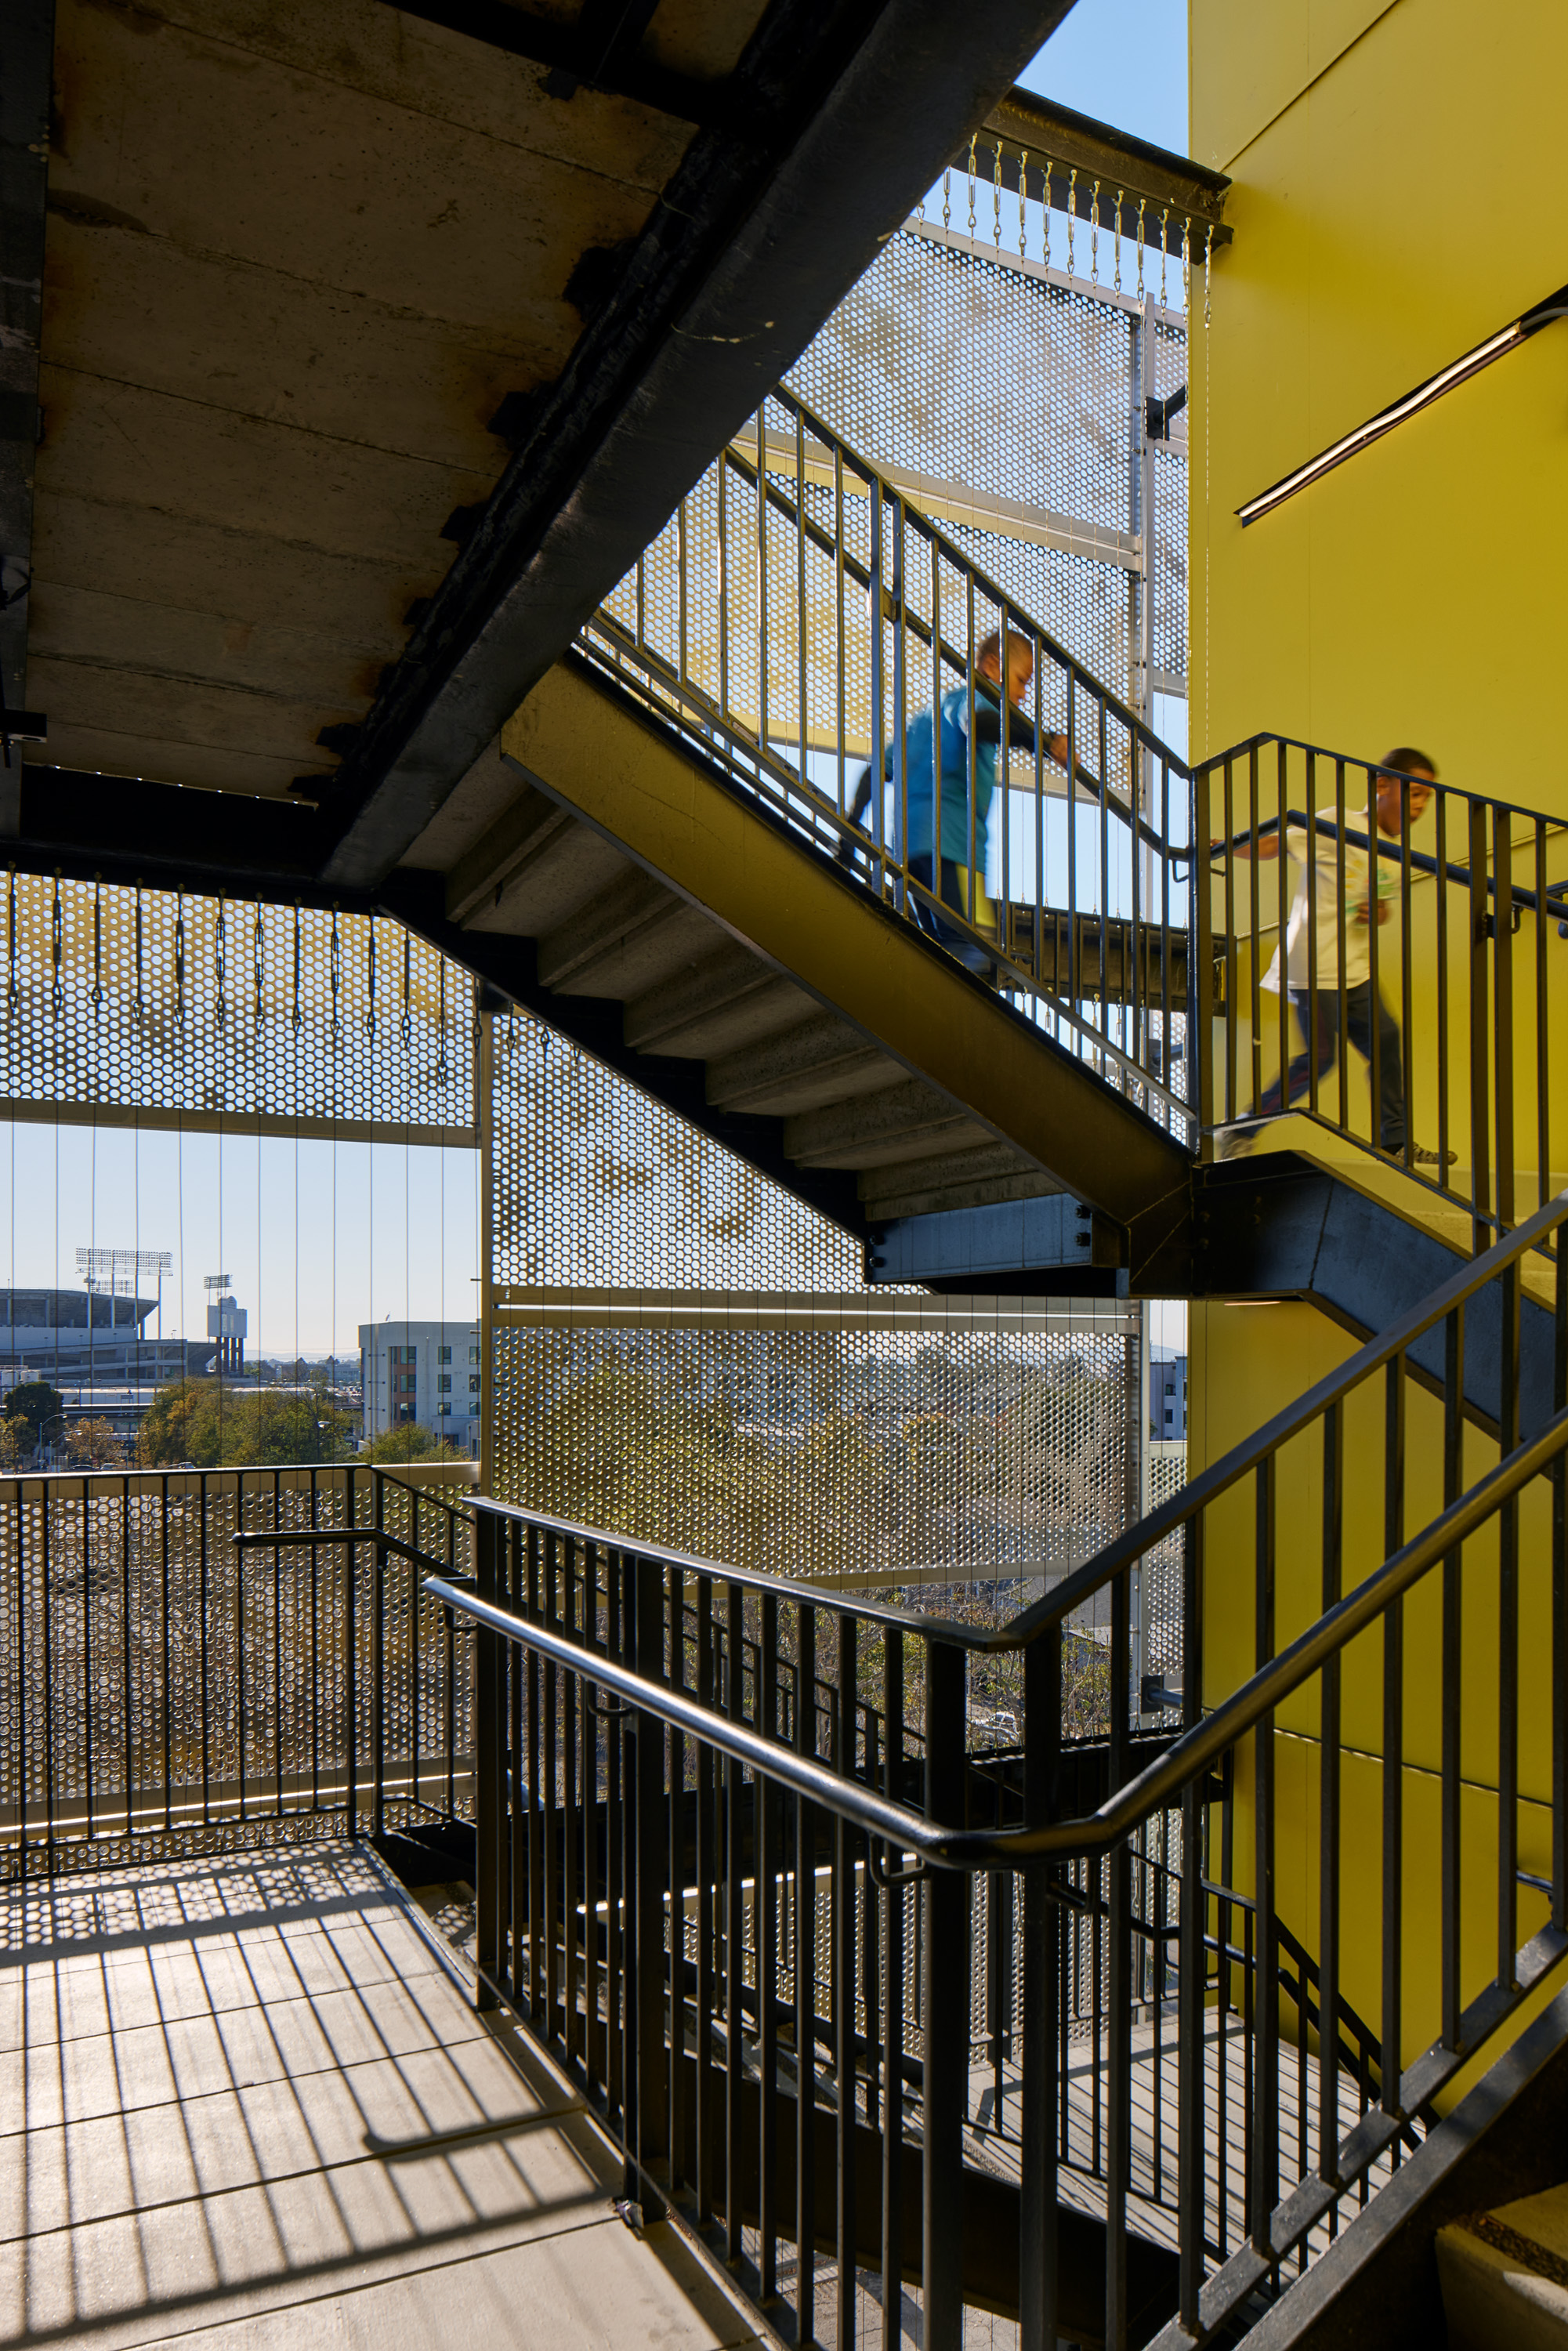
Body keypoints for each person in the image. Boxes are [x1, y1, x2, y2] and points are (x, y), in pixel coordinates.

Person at [1237, 747, 1452, 1165]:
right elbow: (1277, 844)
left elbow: (1383, 908)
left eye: (1428, 798)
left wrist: (1379, 912)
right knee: (1320, 1058)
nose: (1421, 807)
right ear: (1382, 785)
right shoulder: (1339, 823)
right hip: (1312, 966)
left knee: (1387, 1041)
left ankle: (1395, 1140)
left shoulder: (1392, 855)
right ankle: (1245, 1125)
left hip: (1355, 972)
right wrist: (1229, 847)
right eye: (1416, 795)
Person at [841, 630, 1069, 970]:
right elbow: (979, 722)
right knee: (975, 951)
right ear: (992, 666)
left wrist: (849, 836)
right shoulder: (977, 699)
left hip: (910, 850)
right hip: (954, 846)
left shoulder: (925, 719)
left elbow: (874, 773)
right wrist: (1042, 741)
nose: (1022, 695)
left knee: (939, 951)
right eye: (1021, 681)